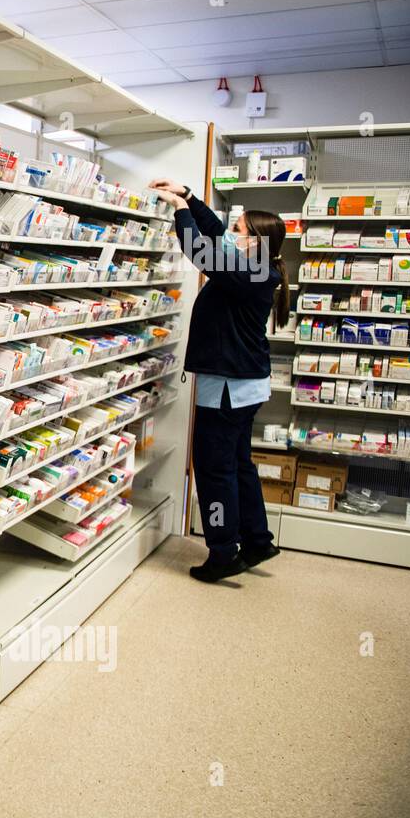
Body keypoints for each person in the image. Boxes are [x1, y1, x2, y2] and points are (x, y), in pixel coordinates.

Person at [148, 178, 291, 583]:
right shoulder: (257, 266)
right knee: (238, 464)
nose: (232, 232)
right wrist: (190, 197)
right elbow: (213, 233)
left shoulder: (249, 272)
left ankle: (224, 551)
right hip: (242, 385)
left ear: (255, 241)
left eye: (240, 229)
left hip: (227, 388)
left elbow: (199, 248)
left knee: (214, 470)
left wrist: (178, 209)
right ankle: (258, 540)